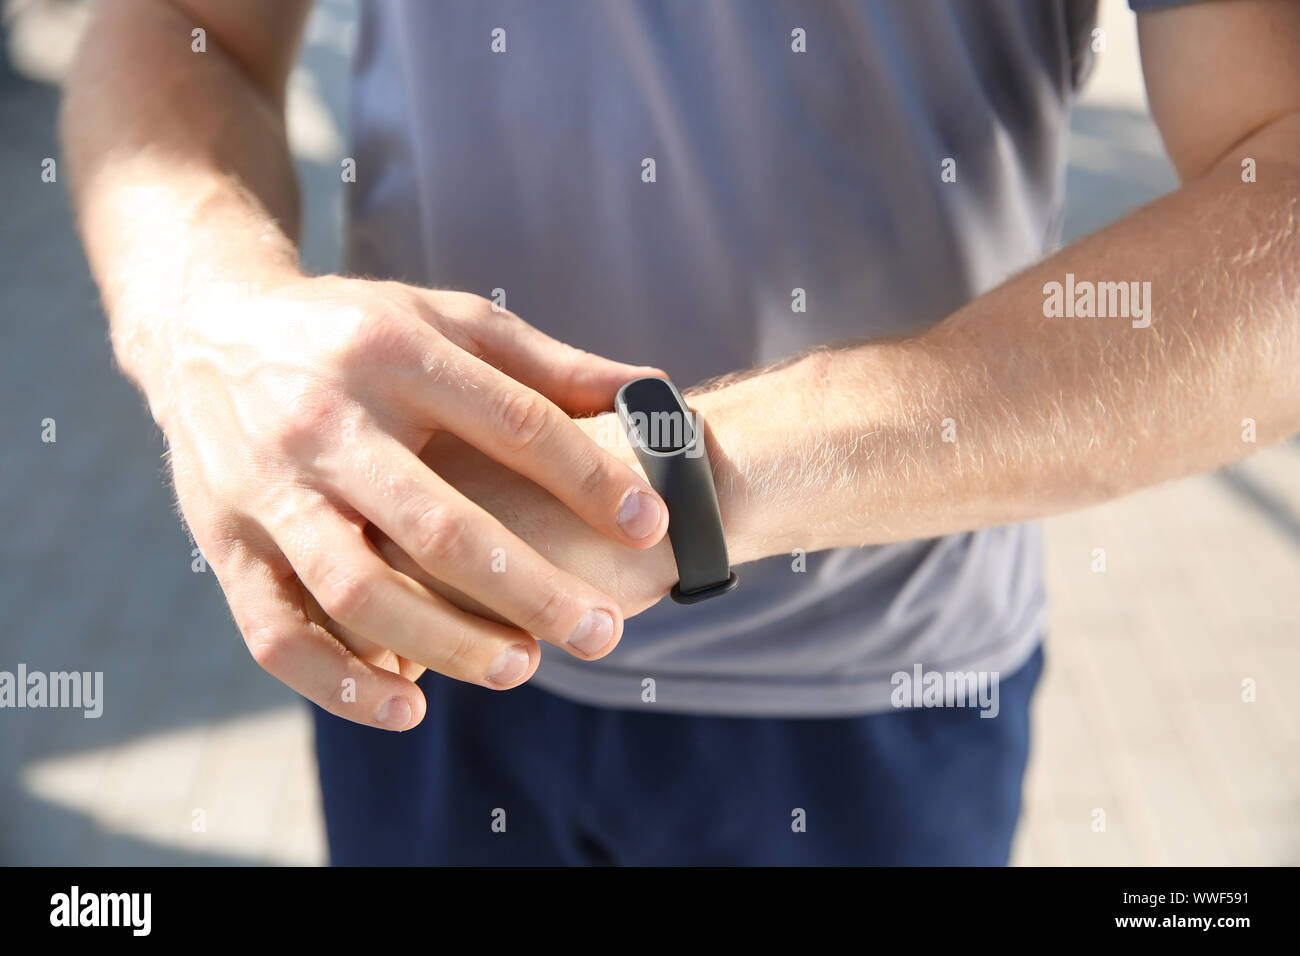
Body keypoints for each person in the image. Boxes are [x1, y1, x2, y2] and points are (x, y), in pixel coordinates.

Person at [61, 0, 1300, 865]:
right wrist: (203, 308)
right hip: (415, 645)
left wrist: (659, 486)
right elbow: (184, 22)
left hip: (872, 692)